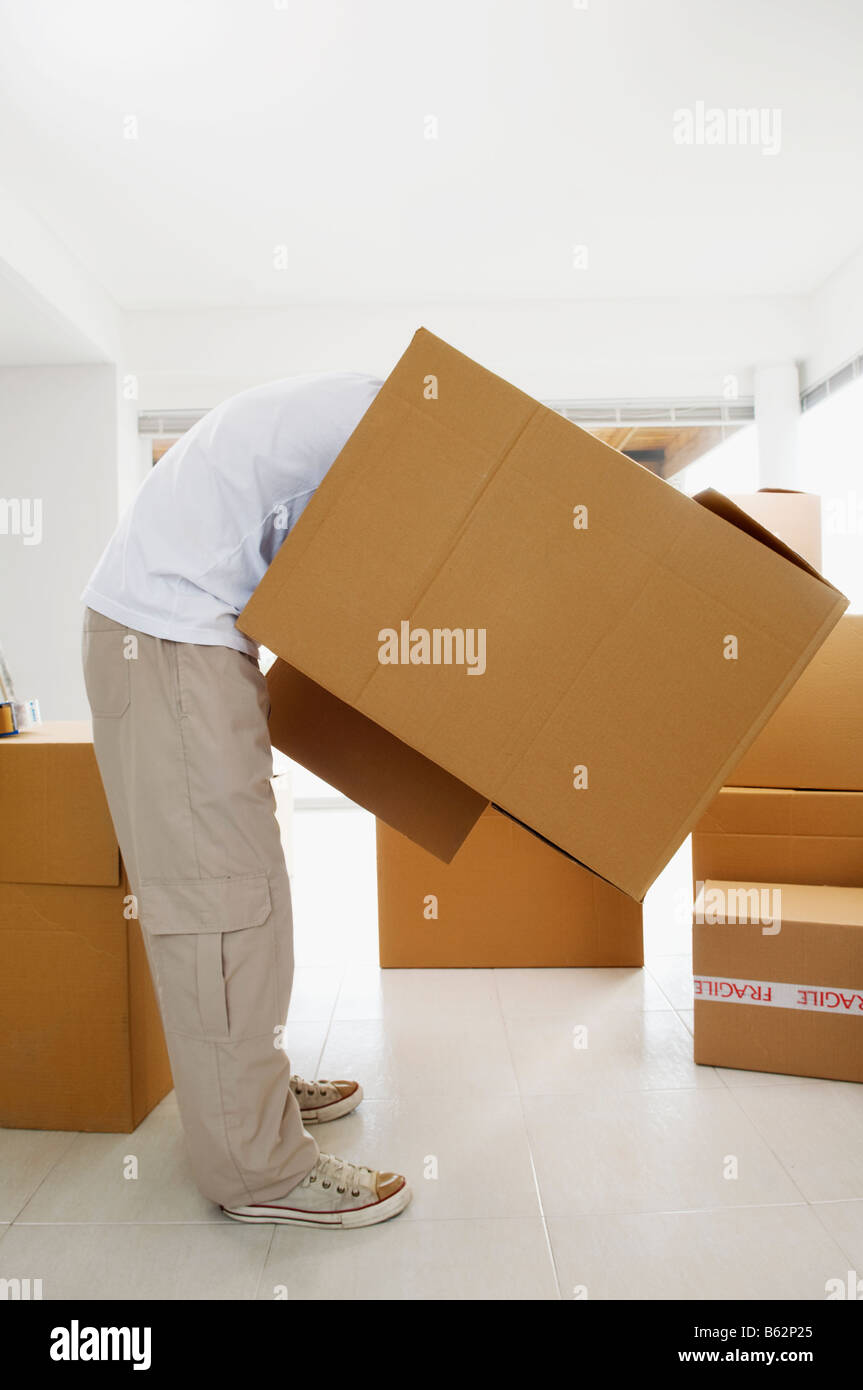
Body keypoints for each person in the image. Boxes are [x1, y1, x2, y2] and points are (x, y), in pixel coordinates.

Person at [80, 370, 411, 1229]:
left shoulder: (374, 414)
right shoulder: (394, 437)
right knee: (222, 905)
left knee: (247, 888)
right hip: (169, 642)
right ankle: (255, 1167)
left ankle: (249, 1091)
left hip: (182, 638)